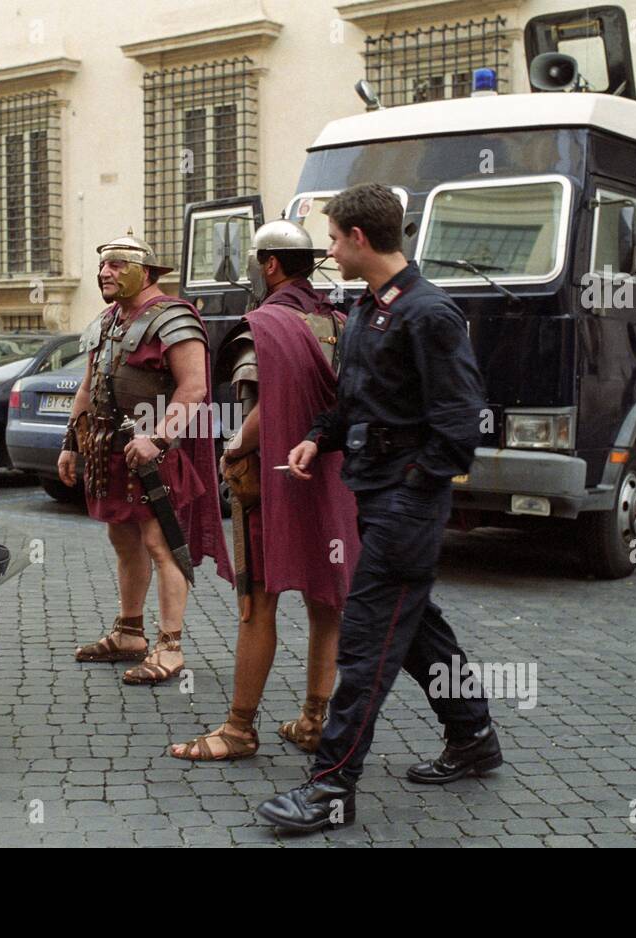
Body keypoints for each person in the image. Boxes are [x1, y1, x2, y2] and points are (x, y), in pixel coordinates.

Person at [257, 184, 501, 833]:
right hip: (376, 490)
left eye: (334, 239)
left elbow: (459, 422)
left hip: (404, 503)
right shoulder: (368, 309)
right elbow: (356, 400)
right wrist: (318, 436)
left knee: (366, 642)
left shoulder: (429, 313)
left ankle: (332, 786)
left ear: (360, 238)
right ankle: (472, 734)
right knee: (418, 627)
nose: (329, 251)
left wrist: (413, 490)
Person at [170, 220, 359, 760]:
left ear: (270, 265)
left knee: (258, 602)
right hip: (332, 479)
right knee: (328, 602)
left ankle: (237, 729)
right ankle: (314, 721)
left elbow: (264, 410)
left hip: (271, 483)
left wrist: (231, 447)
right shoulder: (340, 321)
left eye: (255, 261)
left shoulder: (264, 327)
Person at [59, 234, 231, 685]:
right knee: (123, 540)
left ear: (147, 272)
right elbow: (87, 386)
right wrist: (70, 442)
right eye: (102, 265)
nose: (104, 273)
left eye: (117, 265)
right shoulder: (107, 320)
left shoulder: (173, 318)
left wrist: (158, 438)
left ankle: (170, 647)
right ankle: (129, 632)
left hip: (154, 457)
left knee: (161, 545)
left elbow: (192, 387)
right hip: (109, 451)